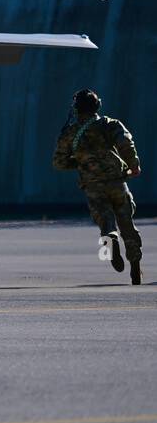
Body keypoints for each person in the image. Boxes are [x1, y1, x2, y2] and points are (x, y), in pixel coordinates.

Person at [53, 89, 143, 284]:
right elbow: (125, 142)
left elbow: (58, 163)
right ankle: (135, 266)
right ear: (97, 106)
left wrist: (80, 163)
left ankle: (110, 243)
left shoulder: (70, 133)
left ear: (77, 109)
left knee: (105, 222)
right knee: (127, 222)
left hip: (92, 186)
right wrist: (134, 165)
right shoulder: (109, 124)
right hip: (116, 182)